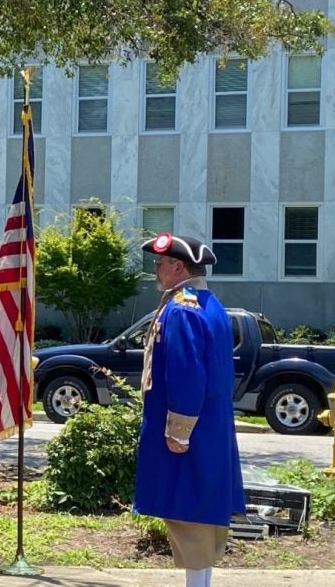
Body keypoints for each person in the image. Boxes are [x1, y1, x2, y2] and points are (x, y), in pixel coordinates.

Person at [133, 232, 245, 587]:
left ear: (177, 266)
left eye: (161, 263)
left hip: (190, 429)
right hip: (210, 426)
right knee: (203, 510)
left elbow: (186, 375)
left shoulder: (180, 309)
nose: (156, 268)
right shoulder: (210, 303)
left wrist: (178, 431)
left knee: (189, 513)